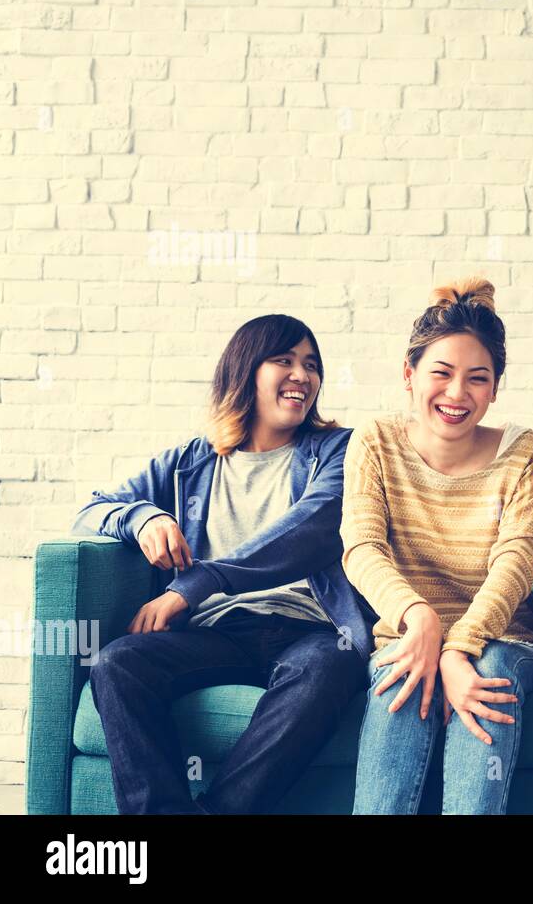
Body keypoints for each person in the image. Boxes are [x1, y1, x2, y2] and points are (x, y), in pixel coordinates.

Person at [79, 314, 373, 814]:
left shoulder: (339, 450)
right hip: (217, 632)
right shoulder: (190, 462)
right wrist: (143, 517)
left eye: (311, 365)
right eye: (284, 361)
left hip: (311, 628)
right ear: (244, 370)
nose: (302, 375)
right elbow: (91, 508)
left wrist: (196, 582)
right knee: (117, 664)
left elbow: (310, 529)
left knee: (329, 668)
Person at [342, 278, 533, 815]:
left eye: (477, 379)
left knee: (488, 681)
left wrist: (458, 648)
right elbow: (362, 547)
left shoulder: (526, 452)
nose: (457, 394)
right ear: (410, 376)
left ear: (495, 388)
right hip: (408, 634)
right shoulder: (375, 440)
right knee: (403, 677)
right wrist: (421, 621)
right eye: (441, 373)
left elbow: (515, 566)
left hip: (504, 637)